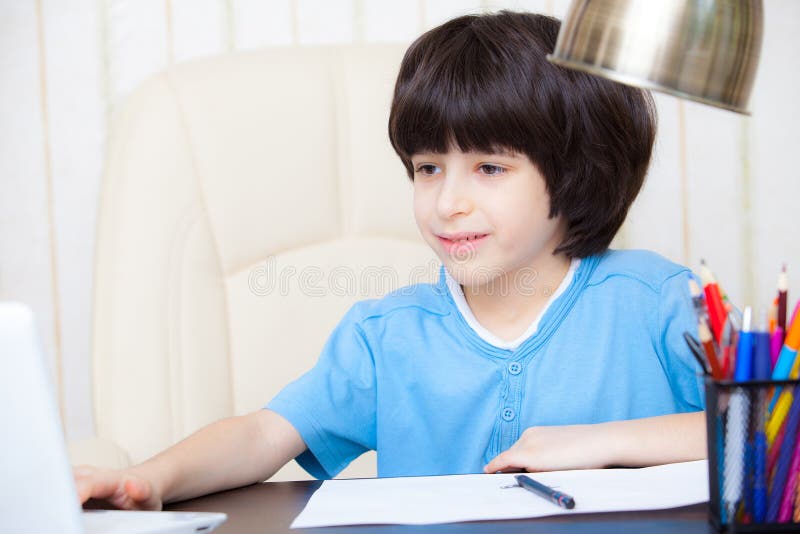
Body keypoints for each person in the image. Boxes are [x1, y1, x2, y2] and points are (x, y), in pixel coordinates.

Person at [74, 11, 706, 510]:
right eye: (428, 168)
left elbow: (769, 432)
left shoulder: (657, 303)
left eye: (489, 167)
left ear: (575, 172)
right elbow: (265, 434)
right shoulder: (386, 337)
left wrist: (599, 445)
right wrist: (147, 479)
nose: (447, 201)